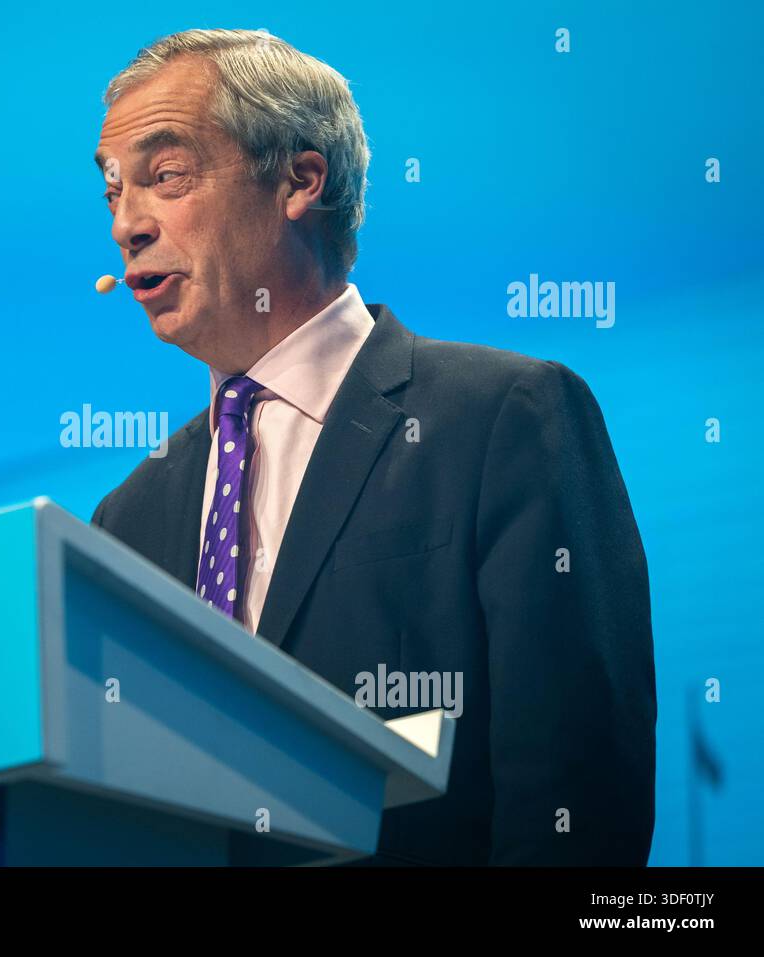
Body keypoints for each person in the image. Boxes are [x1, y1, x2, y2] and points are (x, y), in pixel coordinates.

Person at [89, 29, 656, 865]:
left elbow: (576, 790)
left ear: (300, 179)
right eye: (111, 193)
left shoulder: (503, 417)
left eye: (165, 176)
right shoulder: (125, 520)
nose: (126, 226)